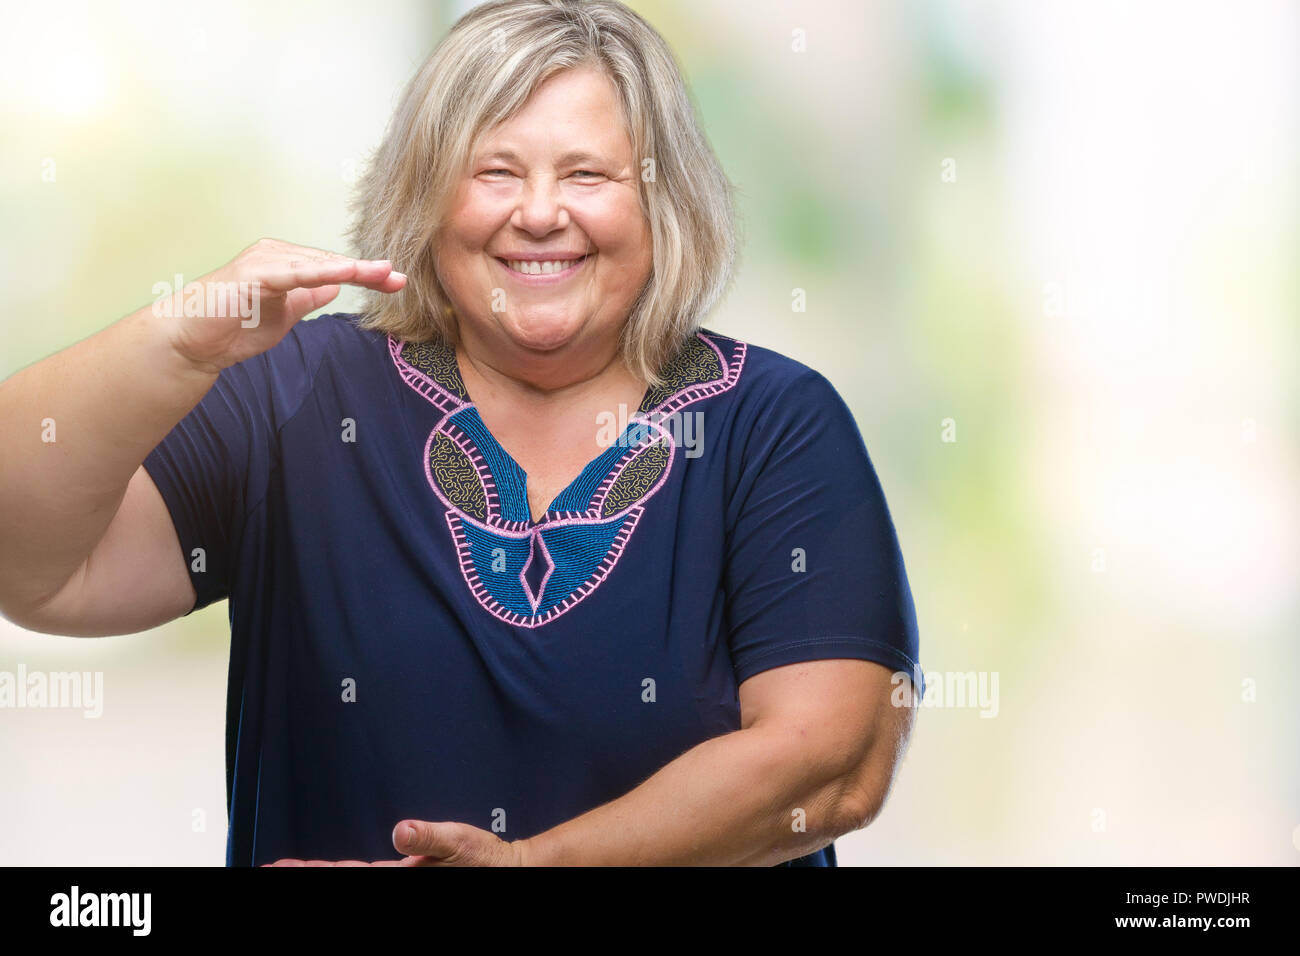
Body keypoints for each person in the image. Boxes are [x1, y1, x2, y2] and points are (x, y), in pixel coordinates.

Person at [0, 0, 923, 867]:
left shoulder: (774, 423)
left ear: (662, 203)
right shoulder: (298, 393)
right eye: (496, 171)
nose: (539, 212)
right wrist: (172, 336)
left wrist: (534, 867)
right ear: (428, 200)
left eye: (588, 174)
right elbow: (31, 566)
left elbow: (832, 765)